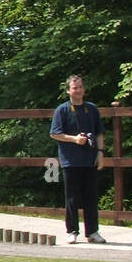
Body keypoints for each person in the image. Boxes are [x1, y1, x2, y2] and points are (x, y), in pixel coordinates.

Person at [50, 74, 106, 244]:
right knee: (72, 197)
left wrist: (101, 153)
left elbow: (99, 133)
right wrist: (74, 139)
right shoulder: (62, 110)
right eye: (75, 87)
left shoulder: (92, 109)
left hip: (90, 159)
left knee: (91, 197)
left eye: (80, 87)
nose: (78, 90)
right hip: (71, 160)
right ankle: (72, 231)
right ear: (68, 90)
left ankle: (93, 232)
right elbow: (55, 133)